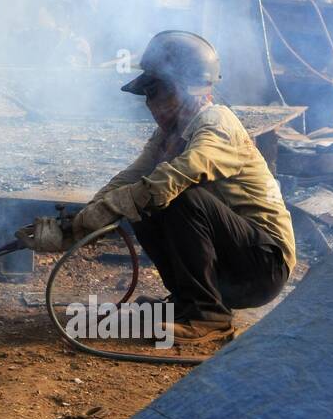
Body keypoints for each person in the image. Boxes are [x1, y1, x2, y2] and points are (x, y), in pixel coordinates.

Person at [17, 31, 296, 343]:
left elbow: (180, 175)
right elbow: (129, 179)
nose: (150, 103)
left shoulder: (217, 122)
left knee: (174, 195)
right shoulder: (170, 134)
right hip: (235, 265)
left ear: (186, 86)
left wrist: (109, 210)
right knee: (143, 200)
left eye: (156, 91)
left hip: (263, 265)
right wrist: (76, 225)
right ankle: (187, 302)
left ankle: (207, 316)